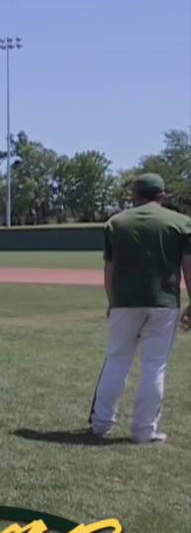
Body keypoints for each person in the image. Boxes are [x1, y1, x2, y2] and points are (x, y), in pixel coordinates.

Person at [90, 173, 191, 444]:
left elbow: (108, 270)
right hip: (163, 303)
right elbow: (188, 267)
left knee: (117, 361)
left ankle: (101, 424)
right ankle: (144, 430)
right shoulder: (181, 223)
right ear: (162, 196)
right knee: (154, 366)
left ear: (134, 195)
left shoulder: (116, 223)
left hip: (124, 303)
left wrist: (112, 302)